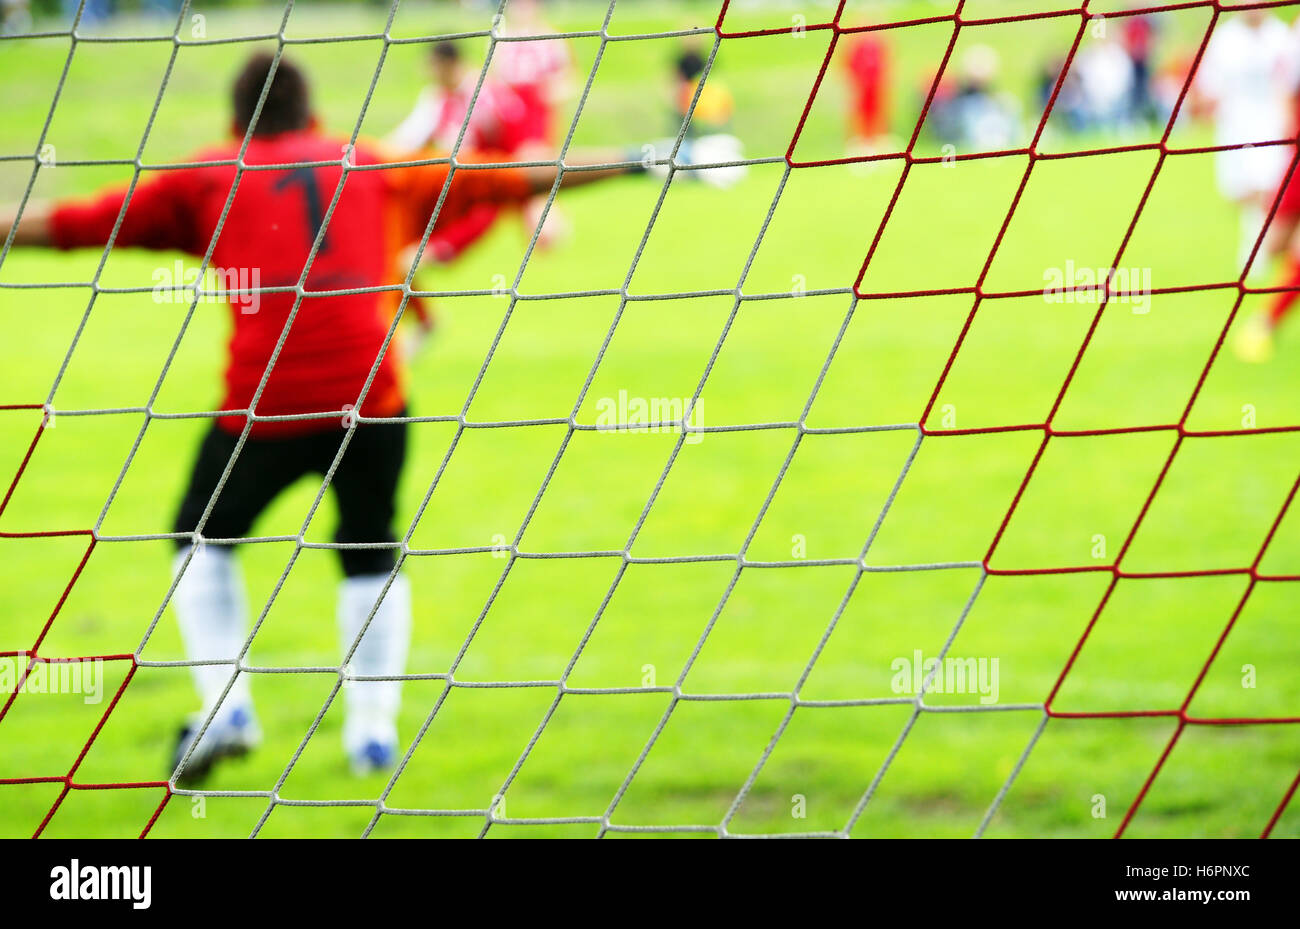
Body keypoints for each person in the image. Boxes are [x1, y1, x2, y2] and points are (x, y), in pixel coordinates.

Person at [0, 52, 636, 783]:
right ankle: (372, 733)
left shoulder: (210, 176)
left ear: (236, 123)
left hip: (266, 405)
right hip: (371, 397)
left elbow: (78, 223)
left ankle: (228, 703)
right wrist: (639, 158)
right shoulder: (369, 164)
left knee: (199, 533)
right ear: (314, 115)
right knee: (370, 548)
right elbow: (507, 175)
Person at [1196, 9, 1295, 277]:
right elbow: (1208, 85)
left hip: (1272, 123)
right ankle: (1260, 243)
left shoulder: (1282, 35)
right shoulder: (1224, 39)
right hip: (1235, 126)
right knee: (1241, 192)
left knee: (1269, 185)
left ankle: (1259, 250)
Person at [843, 33, 892, 155]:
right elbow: (848, 65)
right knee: (860, 113)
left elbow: (887, 63)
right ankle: (862, 144)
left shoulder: (879, 44)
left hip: (876, 87)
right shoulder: (855, 45)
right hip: (861, 87)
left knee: (878, 112)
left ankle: (877, 143)